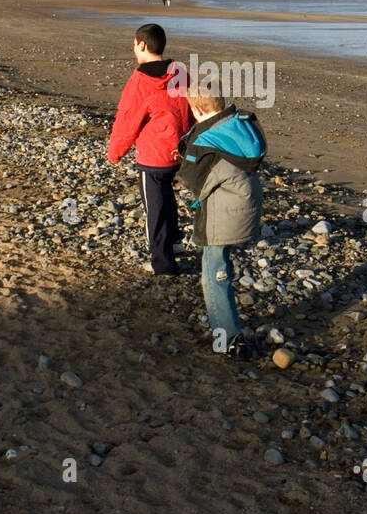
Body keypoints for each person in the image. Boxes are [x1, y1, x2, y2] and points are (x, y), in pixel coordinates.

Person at [177, 88, 266, 359]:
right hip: (242, 207)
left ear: (198, 111)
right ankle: (226, 331)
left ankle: (227, 337)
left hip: (221, 214)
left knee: (214, 275)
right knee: (220, 266)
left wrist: (184, 161)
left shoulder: (207, 140)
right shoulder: (238, 126)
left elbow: (191, 180)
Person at [107, 24, 191, 275]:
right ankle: (174, 242)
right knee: (166, 196)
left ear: (141, 45)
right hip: (178, 150)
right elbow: (193, 108)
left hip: (153, 156)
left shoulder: (140, 81)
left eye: (134, 44)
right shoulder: (180, 72)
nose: (134, 48)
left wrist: (115, 152)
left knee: (154, 209)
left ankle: (162, 263)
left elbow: (127, 120)